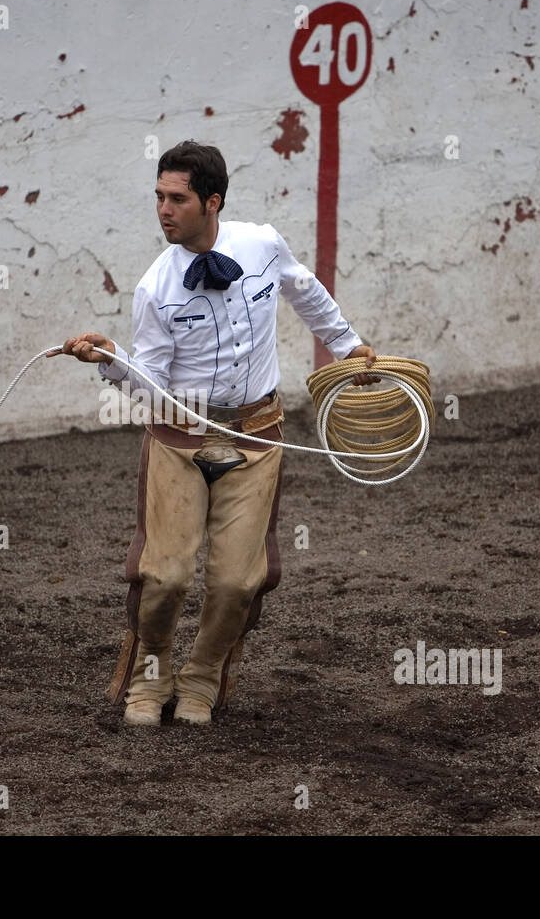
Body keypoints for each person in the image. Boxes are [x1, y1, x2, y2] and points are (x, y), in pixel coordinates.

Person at [50, 140, 376, 726]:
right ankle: (151, 673)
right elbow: (150, 383)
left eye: (177, 199)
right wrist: (110, 358)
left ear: (212, 201)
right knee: (165, 574)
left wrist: (349, 346)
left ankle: (202, 674)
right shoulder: (156, 288)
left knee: (235, 581)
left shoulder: (263, 245)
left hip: (257, 436)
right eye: (158, 197)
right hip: (178, 439)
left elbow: (304, 290)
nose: (163, 210)